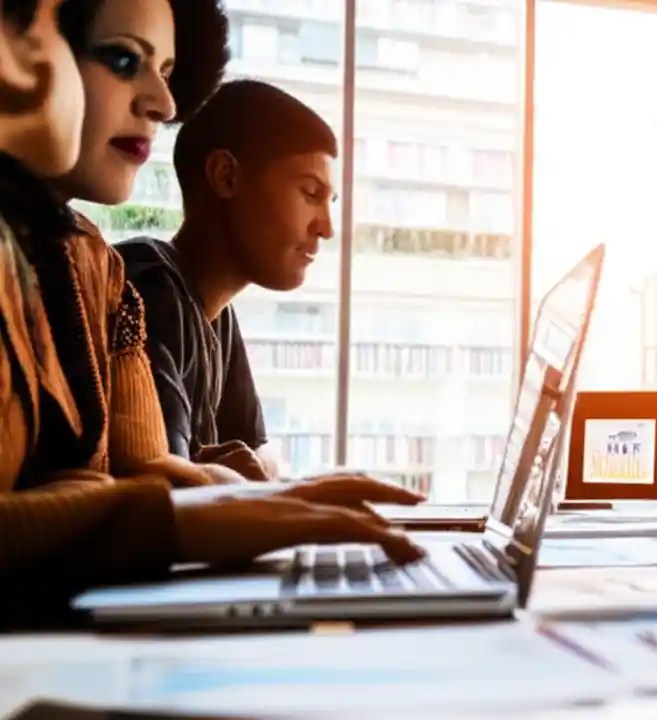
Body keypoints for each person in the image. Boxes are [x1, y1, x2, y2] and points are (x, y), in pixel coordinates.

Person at [0, 0, 420, 620]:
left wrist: (283, 497)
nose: (165, 105)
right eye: (122, 61)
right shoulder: (148, 280)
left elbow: (147, 469)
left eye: (168, 73)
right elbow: (148, 484)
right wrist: (211, 506)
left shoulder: (97, 267)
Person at [117, 80, 337, 481]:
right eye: (310, 193)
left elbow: (261, 462)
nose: (326, 228)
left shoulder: (216, 314)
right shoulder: (149, 289)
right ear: (226, 176)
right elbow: (171, 487)